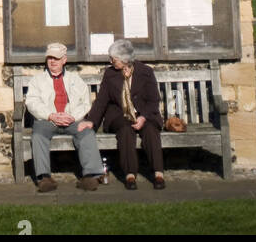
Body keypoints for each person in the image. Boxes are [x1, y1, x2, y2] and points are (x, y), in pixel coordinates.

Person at [78, 38, 165, 190]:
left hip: (145, 114)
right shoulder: (110, 74)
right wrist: (91, 121)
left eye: (113, 59)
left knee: (151, 130)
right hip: (120, 115)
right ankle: (130, 175)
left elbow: (153, 100)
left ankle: (158, 174)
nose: (111, 61)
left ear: (125, 60)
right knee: (125, 130)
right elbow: (101, 101)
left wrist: (143, 117)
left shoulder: (146, 72)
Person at [26, 42, 103, 192]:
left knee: (86, 132)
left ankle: (90, 176)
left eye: (56, 58)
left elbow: (85, 103)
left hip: (71, 120)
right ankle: (44, 177)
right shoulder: (37, 80)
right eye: (49, 58)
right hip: (47, 120)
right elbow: (32, 102)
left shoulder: (75, 79)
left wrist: (72, 117)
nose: (52, 61)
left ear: (64, 60)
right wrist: (51, 115)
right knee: (38, 135)